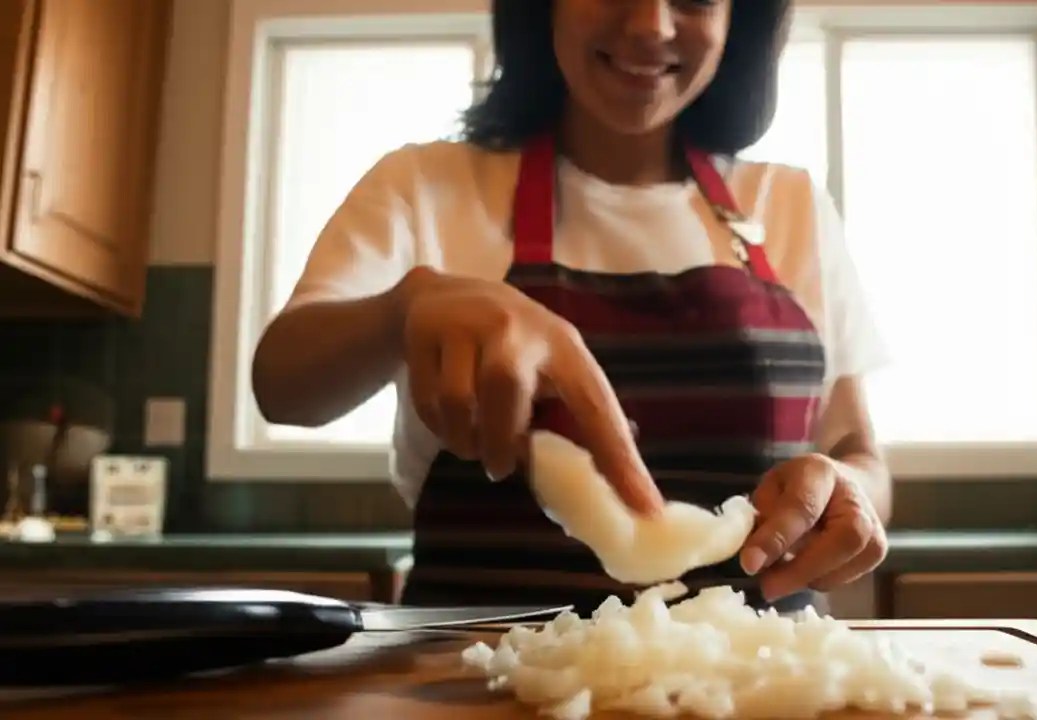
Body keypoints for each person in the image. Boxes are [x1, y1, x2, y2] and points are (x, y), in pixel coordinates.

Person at [252, 0, 892, 615]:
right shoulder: (424, 185)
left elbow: (857, 448)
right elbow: (280, 385)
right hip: (476, 681)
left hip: (761, 680)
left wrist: (847, 491)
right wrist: (402, 311)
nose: (650, 24)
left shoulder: (791, 202)